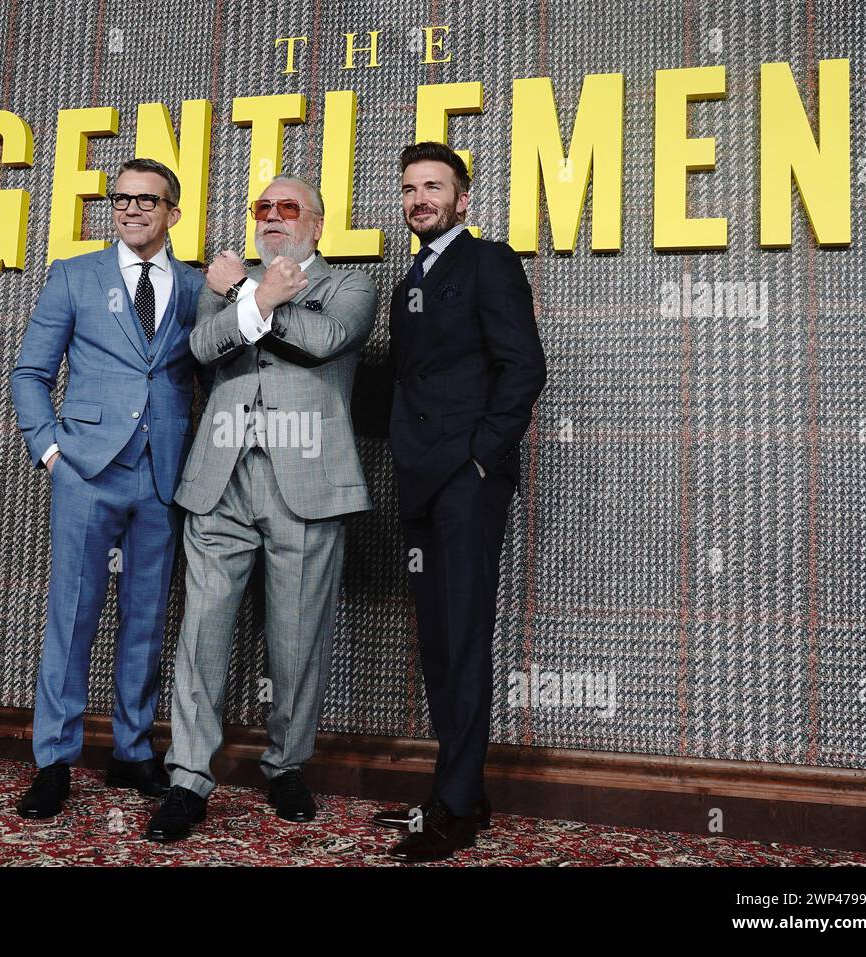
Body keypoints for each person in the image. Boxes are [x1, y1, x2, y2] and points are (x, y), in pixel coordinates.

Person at [145, 175, 376, 842]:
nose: (273, 218)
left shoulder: (348, 286)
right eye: (263, 208)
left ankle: (286, 765)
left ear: (318, 225)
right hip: (220, 480)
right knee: (202, 637)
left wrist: (249, 293)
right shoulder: (219, 286)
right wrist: (253, 297)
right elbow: (203, 347)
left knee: (298, 638)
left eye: (289, 208)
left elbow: (320, 340)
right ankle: (188, 777)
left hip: (306, 484)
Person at [9, 158, 207, 818]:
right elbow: (30, 372)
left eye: (147, 200)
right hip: (86, 471)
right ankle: (55, 760)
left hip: (162, 472)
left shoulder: (197, 284)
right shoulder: (73, 275)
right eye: (121, 198)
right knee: (72, 613)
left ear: (172, 213)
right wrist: (52, 452)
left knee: (147, 618)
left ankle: (131, 748)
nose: (130, 209)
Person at [371, 142, 547, 861]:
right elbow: (405, 385)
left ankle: (454, 802)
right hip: (417, 479)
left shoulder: (489, 262)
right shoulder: (407, 279)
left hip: (467, 485)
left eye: (433, 187)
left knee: (466, 637)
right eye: (410, 187)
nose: (419, 199)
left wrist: (480, 460)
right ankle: (459, 788)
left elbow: (524, 367)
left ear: (462, 198)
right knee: (440, 640)